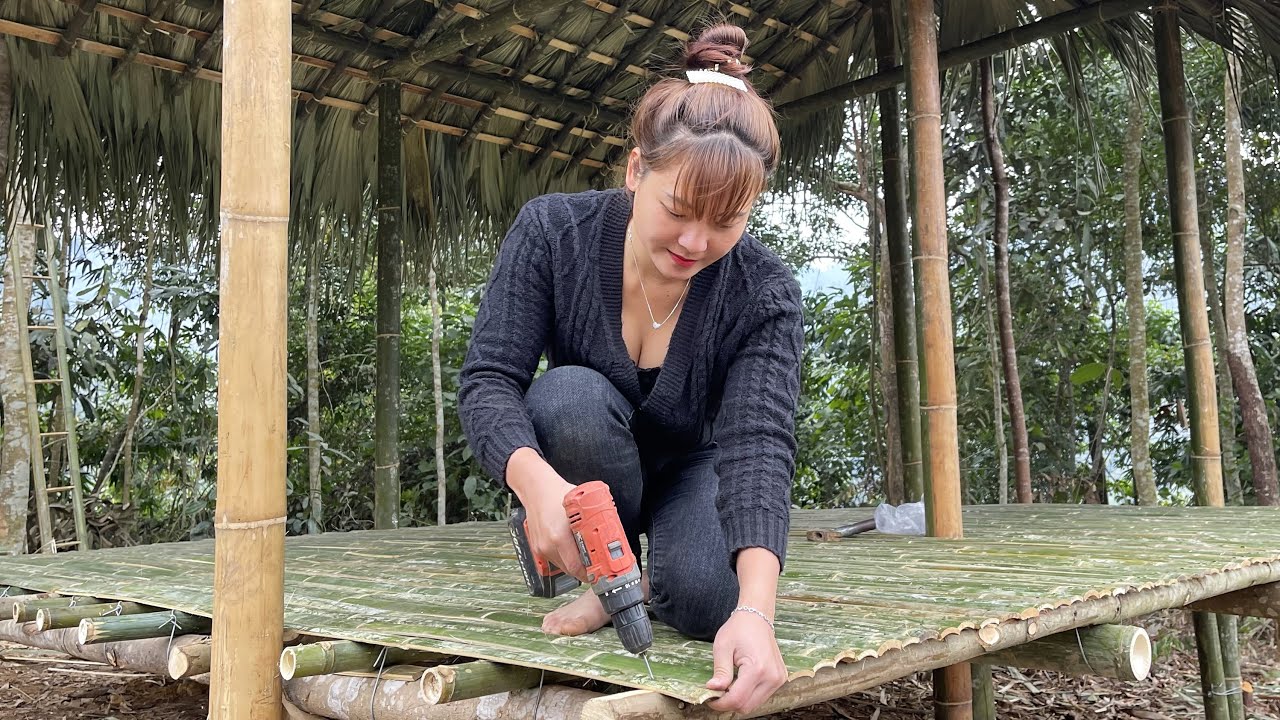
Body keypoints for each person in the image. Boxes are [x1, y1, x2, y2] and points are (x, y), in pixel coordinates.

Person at [458, 23, 803, 715]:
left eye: (726, 222)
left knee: (709, 601)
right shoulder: (552, 232)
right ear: (636, 170)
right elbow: (488, 380)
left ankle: (643, 581)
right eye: (678, 210)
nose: (696, 241)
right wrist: (537, 488)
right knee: (568, 398)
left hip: (693, 465)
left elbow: (758, 446)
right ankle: (604, 574)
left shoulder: (763, 290)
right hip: (588, 462)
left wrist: (757, 615)